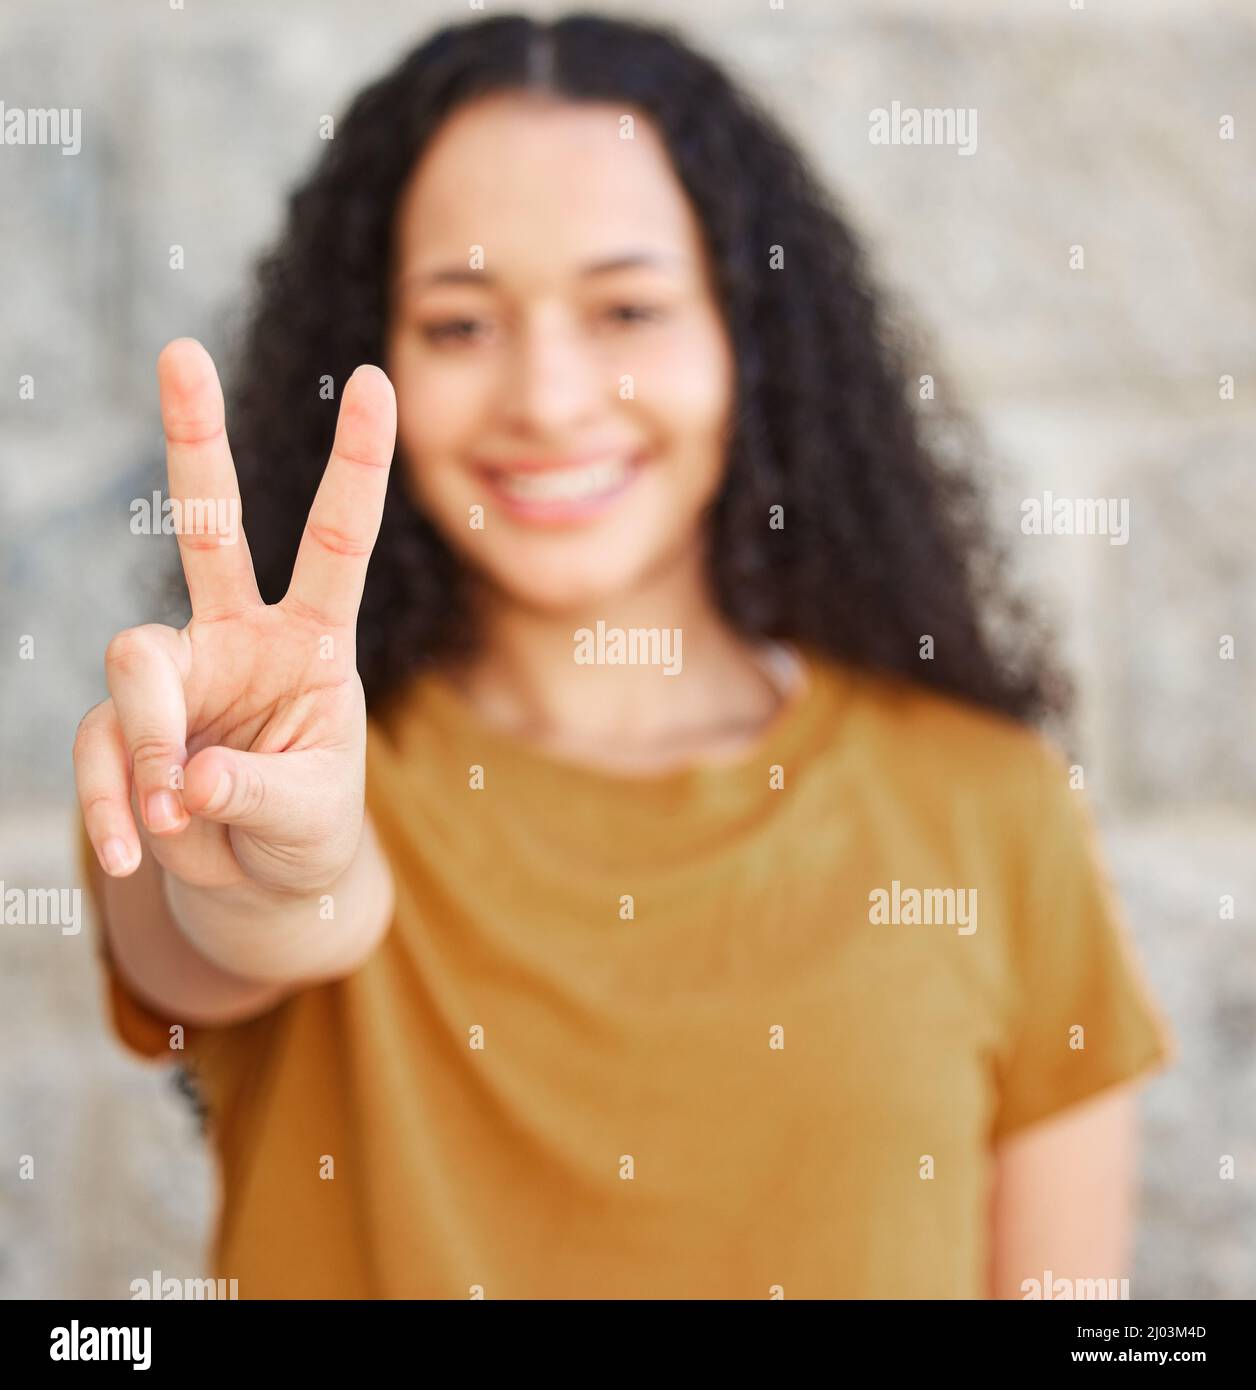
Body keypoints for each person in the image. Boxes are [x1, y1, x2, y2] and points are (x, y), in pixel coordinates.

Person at [73, 12, 1174, 1299]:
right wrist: (263, 862)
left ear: (746, 343)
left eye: (627, 307)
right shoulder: (265, 777)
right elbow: (257, 915)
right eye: (460, 323)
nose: (546, 394)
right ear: (371, 361)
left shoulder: (989, 808)